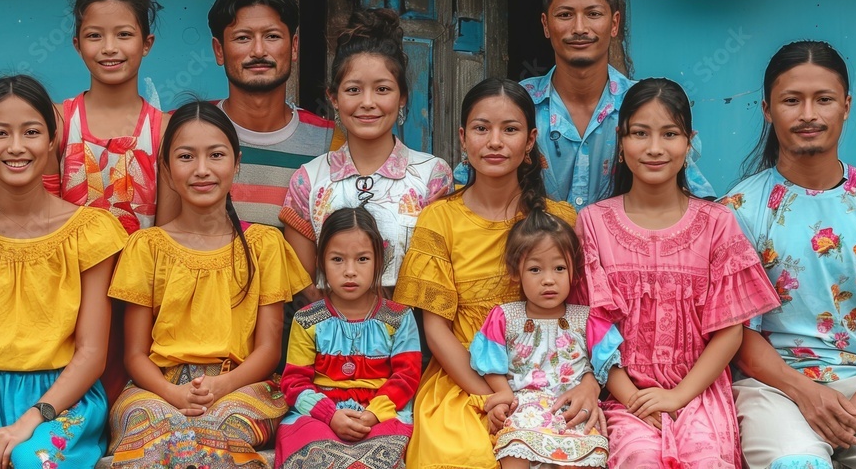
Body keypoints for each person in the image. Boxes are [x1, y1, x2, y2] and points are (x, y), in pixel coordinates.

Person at [722, 40, 856, 469]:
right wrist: (804, 392)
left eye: (824, 99)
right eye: (791, 100)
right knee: (797, 463)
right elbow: (735, 333)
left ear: (846, 106)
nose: (808, 114)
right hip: (769, 386)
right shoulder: (738, 210)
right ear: (767, 110)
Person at [0, 75, 126, 468]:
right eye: (0, 133)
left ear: (51, 140)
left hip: (62, 399)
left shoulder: (90, 233)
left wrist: (30, 421)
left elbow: (92, 352)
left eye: (31, 132)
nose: (16, 147)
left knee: (34, 459)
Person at [574, 78, 779, 467]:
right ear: (621, 141)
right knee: (638, 456)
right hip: (621, 393)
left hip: (698, 391)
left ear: (690, 143)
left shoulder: (718, 223)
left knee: (706, 457)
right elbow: (588, 327)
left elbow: (730, 330)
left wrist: (678, 396)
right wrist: (633, 398)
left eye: (670, 134)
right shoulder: (594, 224)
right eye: (640, 133)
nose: (654, 148)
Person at [395, 78, 589, 469]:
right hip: (463, 379)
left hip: (553, 377)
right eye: (482, 129)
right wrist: (489, 395)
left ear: (531, 140)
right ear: (463, 138)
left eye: (510, 129)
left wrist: (587, 384)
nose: (495, 141)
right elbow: (435, 330)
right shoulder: (440, 218)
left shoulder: (561, 219)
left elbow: (584, 318)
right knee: (463, 456)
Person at [105, 101, 311, 467]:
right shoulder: (146, 247)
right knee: (156, 429)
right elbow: (135, 354)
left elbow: (267, 350)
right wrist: (172, 393)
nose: (202, 170)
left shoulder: (264, 246)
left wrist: (219, 387)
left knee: (217, 430)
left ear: (237, 162)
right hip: (158, 386)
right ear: (166, 169)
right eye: (186, 157)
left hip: (241, 385)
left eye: (216, 155)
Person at [455, 0, 713, 210]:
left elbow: (695, 201)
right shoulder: (515, 106)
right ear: (546, 25)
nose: (579, 28)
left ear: (614, 23)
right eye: (565, 15)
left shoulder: (646, 107)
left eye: (593, 14)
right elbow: (465, 195)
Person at [280, 8, 452, 297]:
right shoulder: (308, 181)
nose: (368, 102)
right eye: (353, 90)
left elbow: (439, 273)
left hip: (413, 335)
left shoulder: (432, 176)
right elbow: (302, 280)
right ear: (333, 98)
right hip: (331, 337)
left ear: (402, 97)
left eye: (383, 89)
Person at [470, 208, 622, 468]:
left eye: (559, 268)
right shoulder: (505, 317)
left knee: (582, 453)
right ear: (515, 272)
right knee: (515, 449)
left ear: (574, 272)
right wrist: (504, 394)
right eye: (535, 269)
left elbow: (607, 367)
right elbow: (490, 362)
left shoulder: (587, 319)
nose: (548, 280)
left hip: (574, 409)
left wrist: (595, 386)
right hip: (524, 408)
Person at [276, 207, 422, 468]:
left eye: (362, 259)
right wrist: (329, 415)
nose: (350, 271)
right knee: (309, 450)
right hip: (320, 414)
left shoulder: (399, 318)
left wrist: (373, 414)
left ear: (380, 260)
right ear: (321, 261)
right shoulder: (307, 319)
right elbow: (294, 382)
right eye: (337, 259)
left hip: (381, 413)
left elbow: (406, 377)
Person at [44, 0, 168, 234]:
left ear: (146, 43)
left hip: (142, 276)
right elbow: (44, 222)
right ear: (77, 45)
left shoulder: (164, 130)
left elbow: (169, 235)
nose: (109, 47)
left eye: (124, 34)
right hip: (70, 276)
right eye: (94, 36)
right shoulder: (58, 122)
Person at [205, 0, 340, 228]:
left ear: (294, 47)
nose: (258, 51)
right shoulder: (183, 130)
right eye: (243, 38)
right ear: (219, 50)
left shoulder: (330, 143)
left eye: (272, 36)